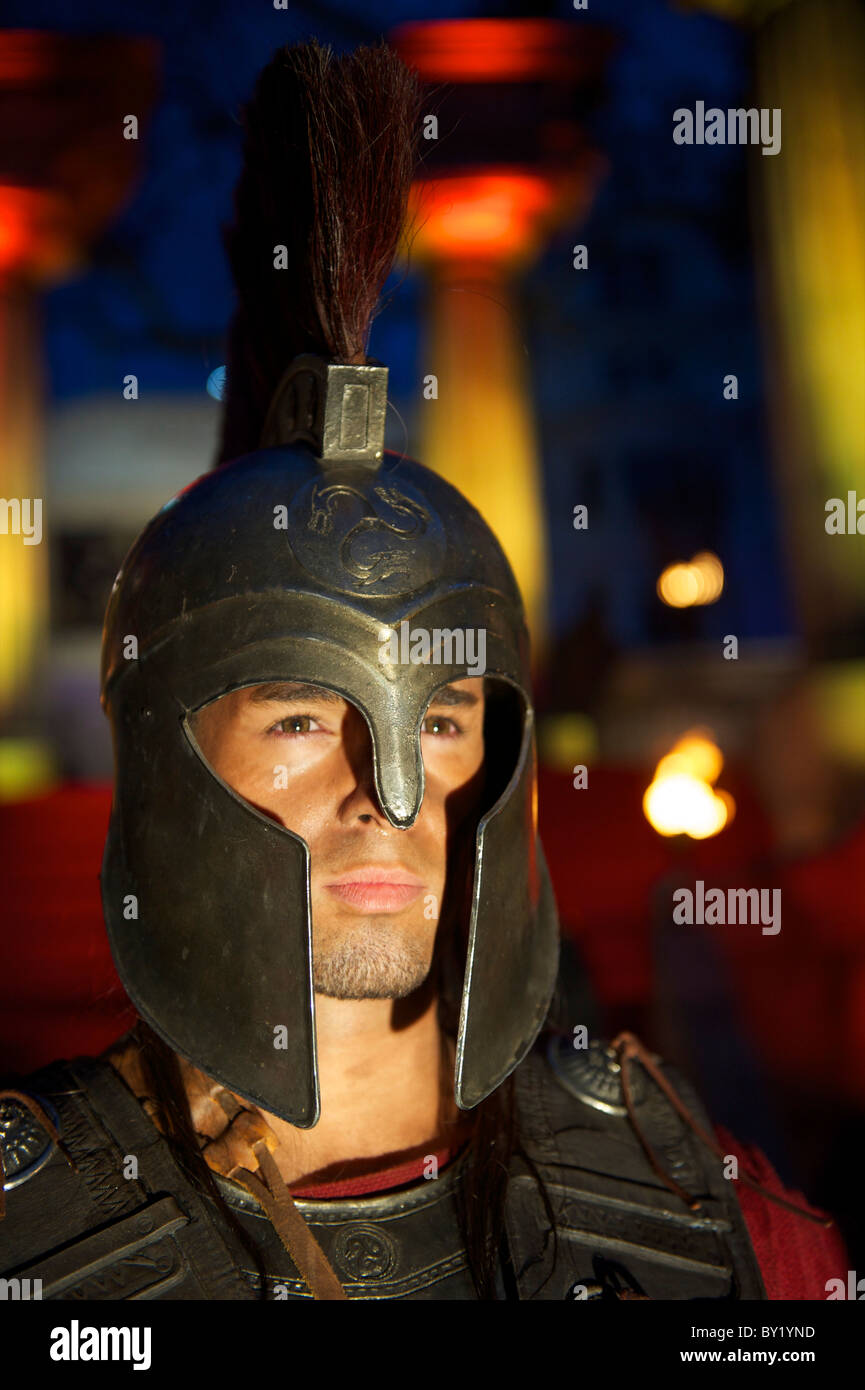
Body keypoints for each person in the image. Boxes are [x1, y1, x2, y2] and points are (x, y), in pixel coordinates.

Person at [0, 39, 846, 1302]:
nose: (389, 791)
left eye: (444, 718)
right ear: (161, 750)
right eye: (299, 713)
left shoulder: (705, 1215)